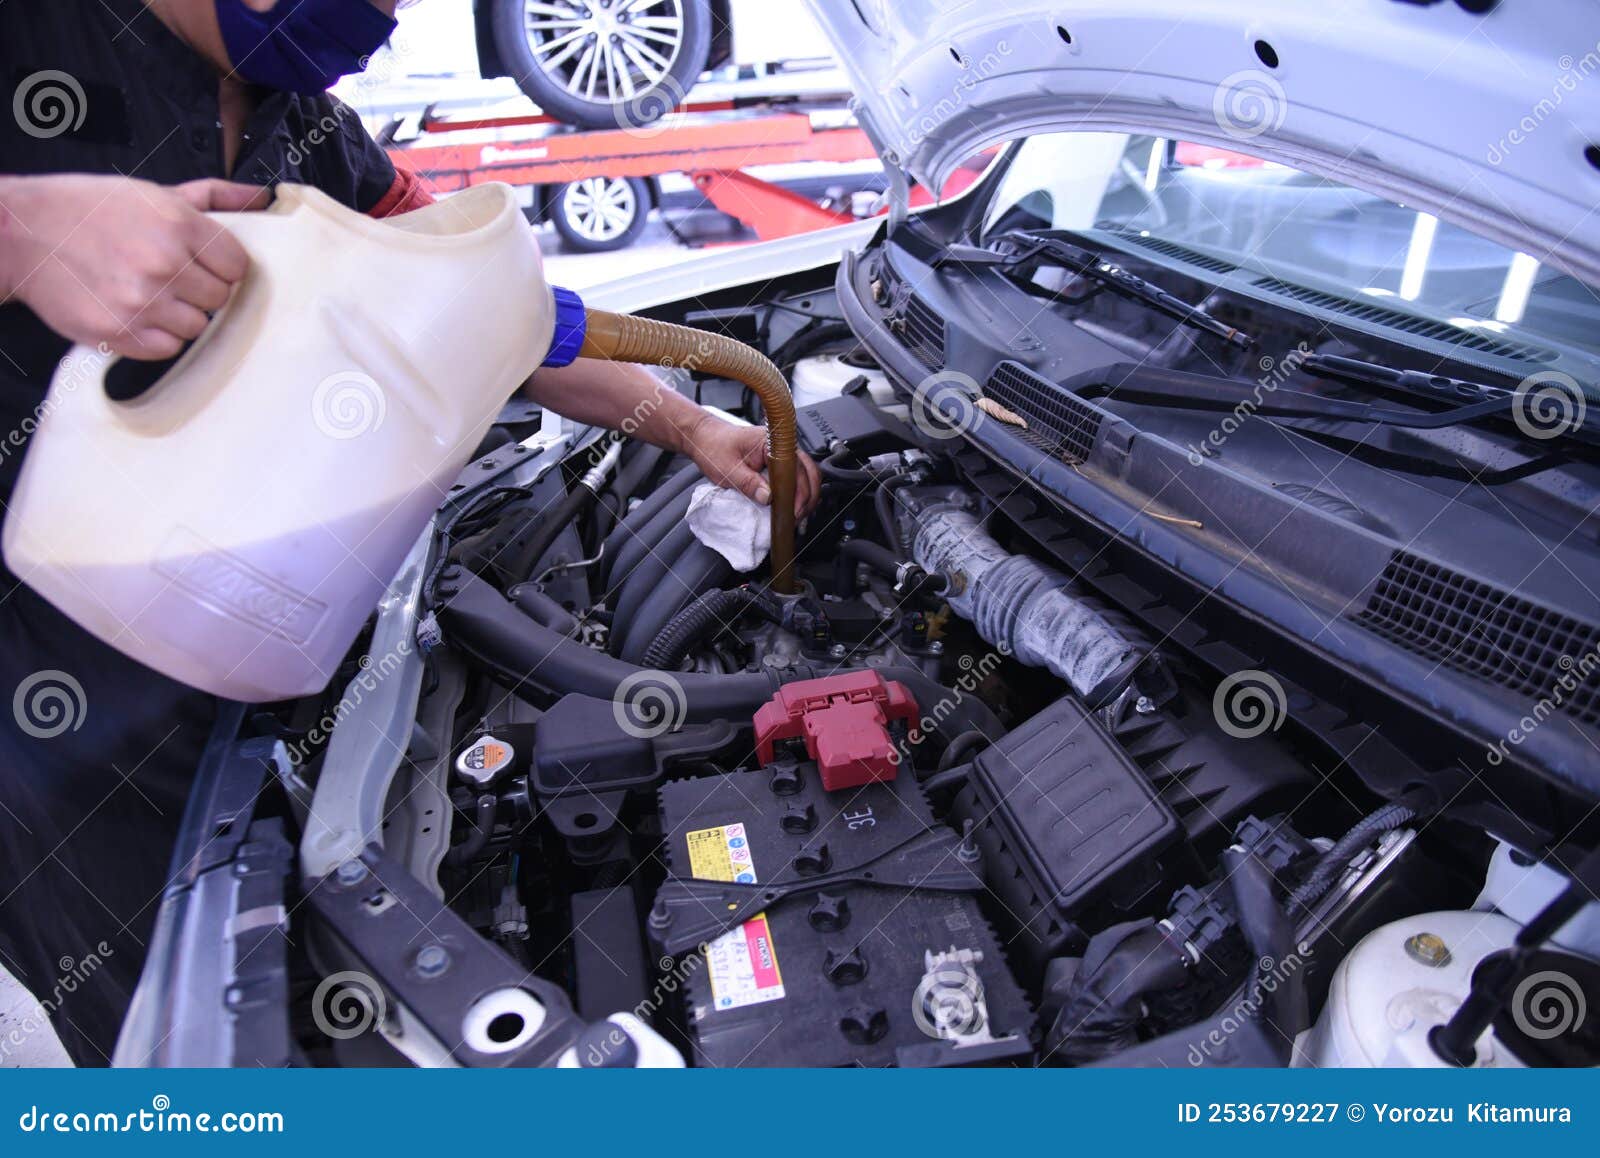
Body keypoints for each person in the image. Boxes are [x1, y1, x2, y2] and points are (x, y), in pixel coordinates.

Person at [0, 0, 817, 1065]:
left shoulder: (310, 132)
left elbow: (499, 319)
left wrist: (693, 423)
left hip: (250, 638)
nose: (380, 13)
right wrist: (23, 232)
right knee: (179, 1036)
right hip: (49, 714)